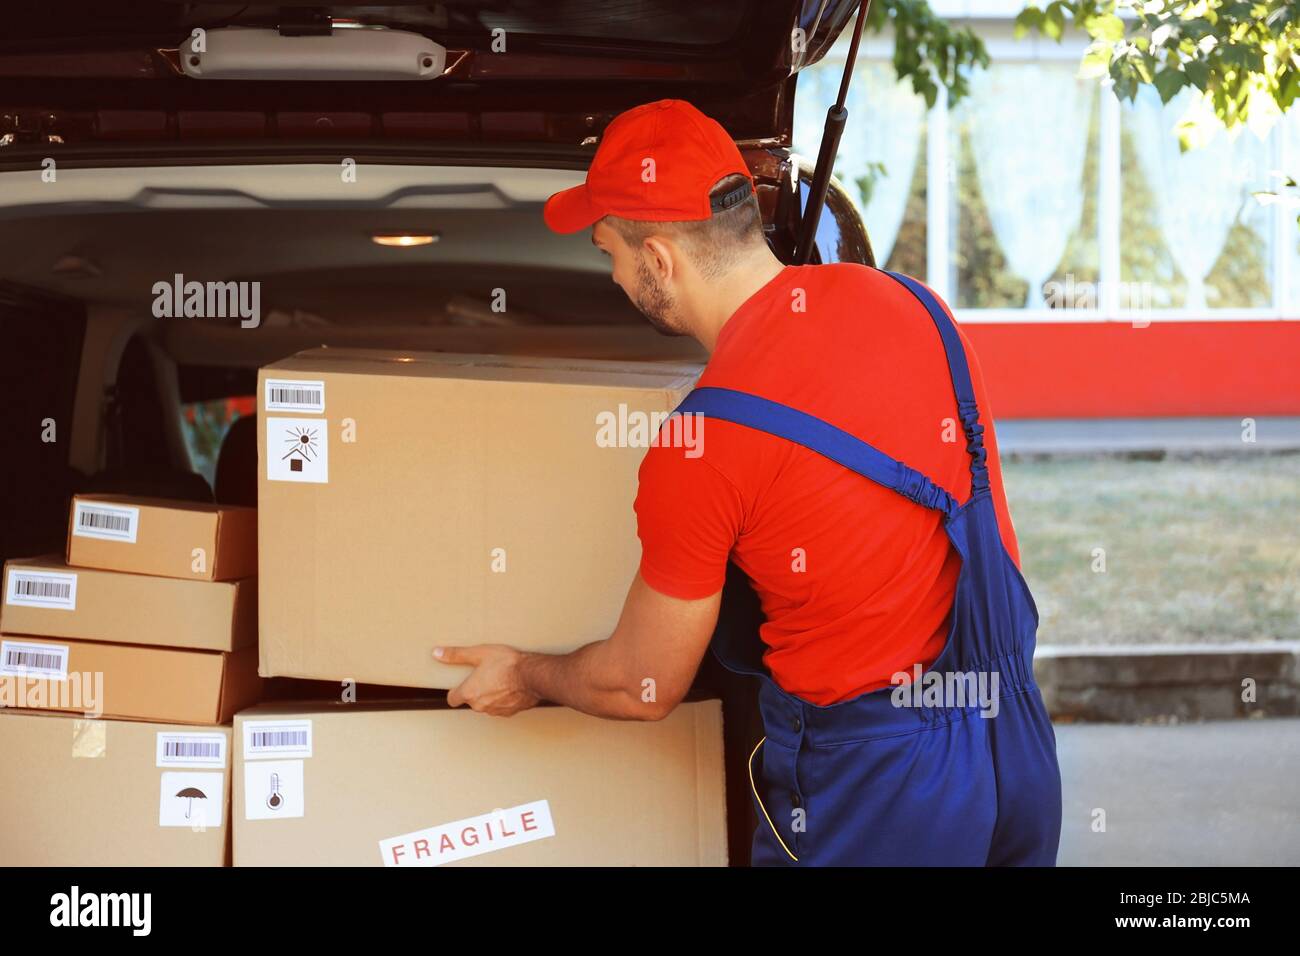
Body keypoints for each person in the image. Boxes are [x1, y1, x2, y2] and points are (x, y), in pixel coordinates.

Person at [433, 98, 1062, 866]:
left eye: (610, 253)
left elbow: (641, 685)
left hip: (877, 789)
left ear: (659, 259)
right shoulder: (913, 304)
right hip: (1011, 745)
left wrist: (526, 673)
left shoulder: (702, 443)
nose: (616, 276)